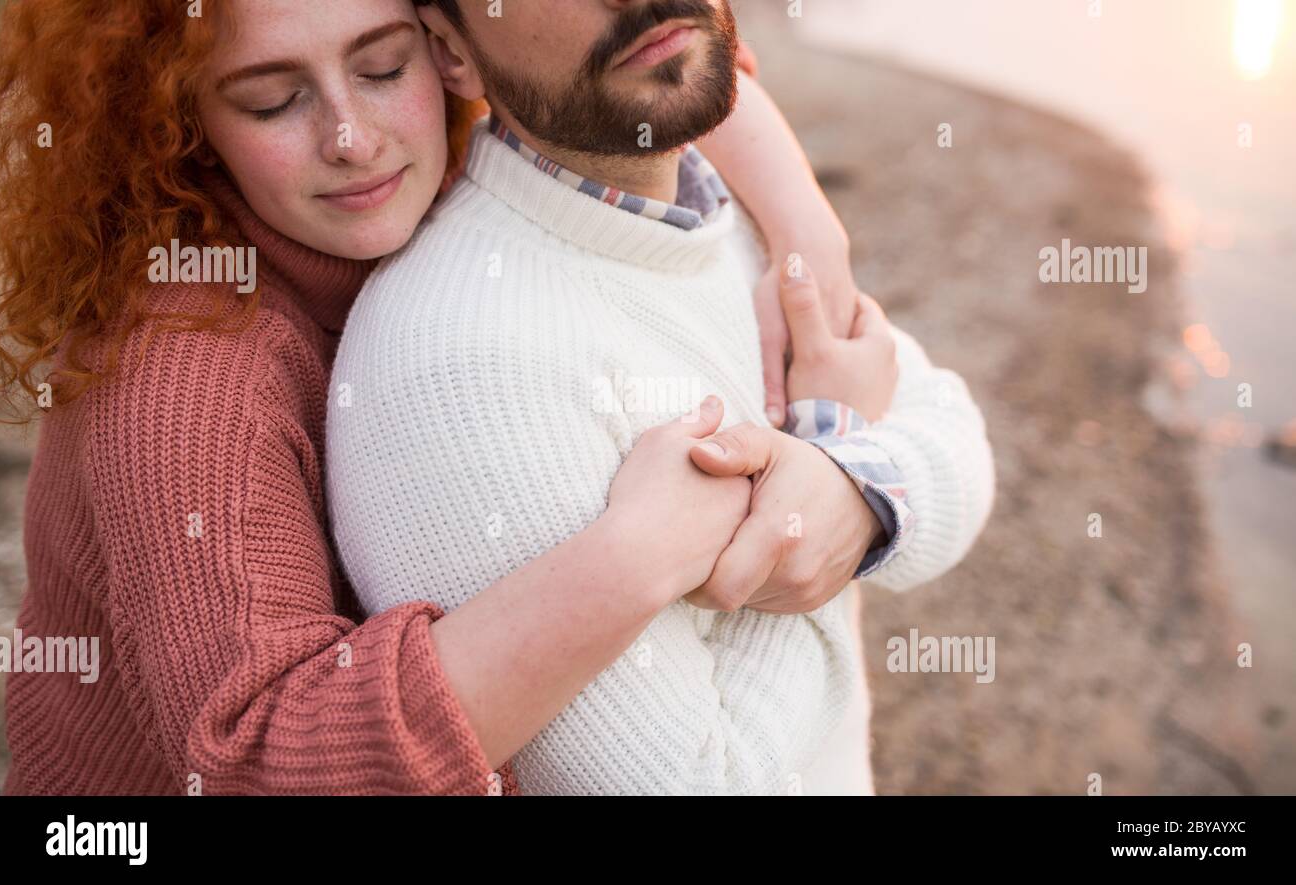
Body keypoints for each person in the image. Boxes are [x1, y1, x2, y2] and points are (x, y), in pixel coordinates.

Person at [0, 0, 941, 794]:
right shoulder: (183, 368)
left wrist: (807, 230)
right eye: (273, 100)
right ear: (174, 118)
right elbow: (257, 762)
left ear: (450, 53)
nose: (351, 138)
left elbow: (675, 51)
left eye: (382, 67)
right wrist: (630, 558)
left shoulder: (435, 167)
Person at [326, 0, 995, 794]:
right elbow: (700, 782)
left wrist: (850, 496)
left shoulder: (726, 200)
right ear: (453, 52)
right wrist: (834, 457)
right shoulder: (459, 362)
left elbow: (958, 439)